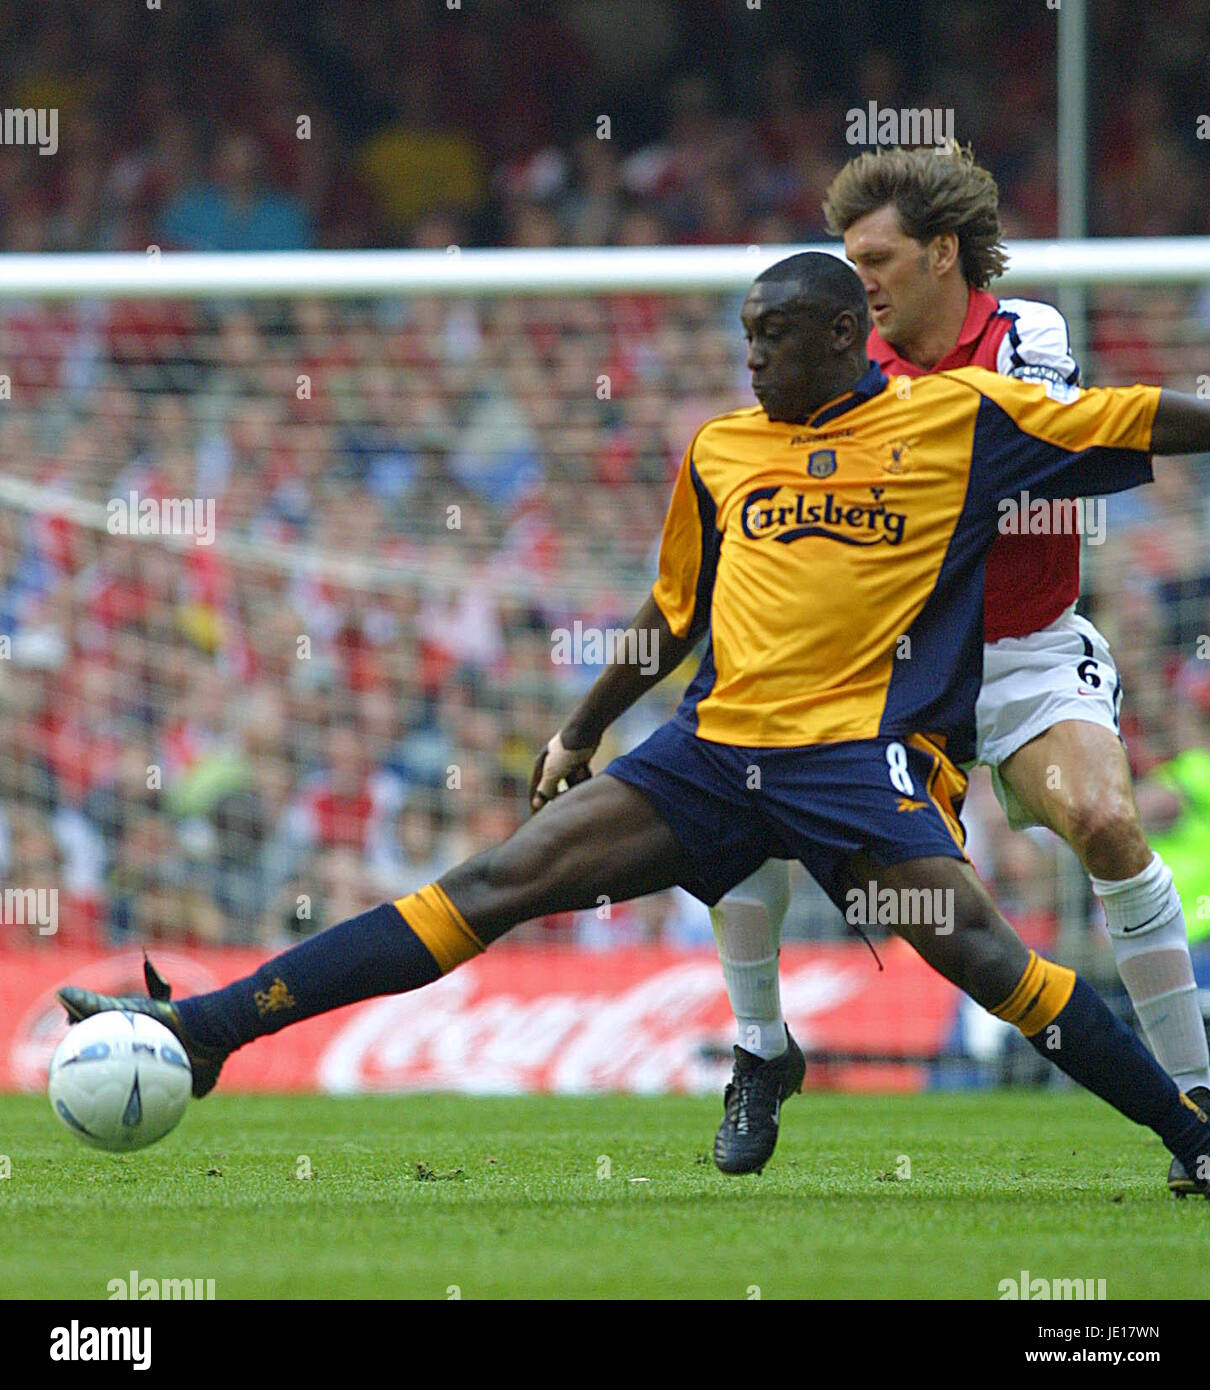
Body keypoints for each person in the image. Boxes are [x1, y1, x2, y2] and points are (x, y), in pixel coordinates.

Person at [59, 252, 1210, 1195]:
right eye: (744, 337)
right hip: (708, 757)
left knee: (985, 958)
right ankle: (208, 1027)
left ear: (842, 334)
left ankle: (1191, 1133)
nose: (750, 358)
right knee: (493, 882)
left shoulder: (966, 419)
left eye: (771, 337)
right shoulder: (722, 449)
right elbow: (668, 613)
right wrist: (577, 732)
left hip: (854, 761)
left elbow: (1153, 419)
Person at [708, 146, 1210, 1188]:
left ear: (944, 253)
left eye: (878, 257)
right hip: (881, 668)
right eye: (848, 263)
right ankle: (760, 1047)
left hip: (1021, 650)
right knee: (735, 795)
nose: (860, 283)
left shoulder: (1023, 333)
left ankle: (1197, 1096)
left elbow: (1031, 445)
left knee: (1109, 823)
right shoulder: (840, 361)